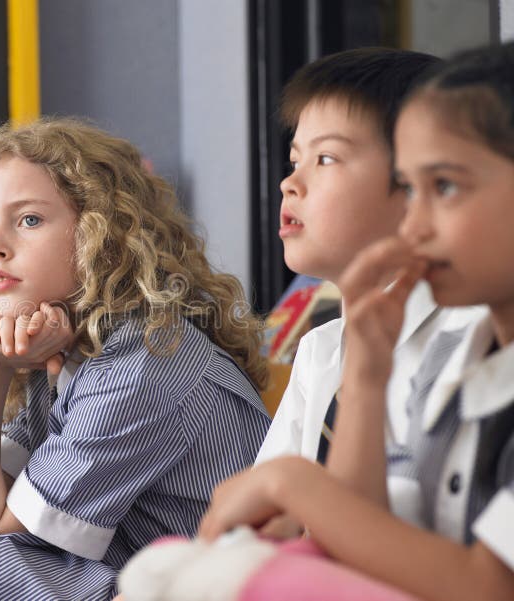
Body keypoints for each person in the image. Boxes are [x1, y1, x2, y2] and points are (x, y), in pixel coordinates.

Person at [0, 117, 271, 599]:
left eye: (29, 220)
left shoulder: (148, 358)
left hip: (193, 586)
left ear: (102, 234)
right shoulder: (66, 354)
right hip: (123, 576)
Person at [198, 41, 514, 601]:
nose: (415, 222)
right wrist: (365, 379)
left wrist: (293, 487)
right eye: (413, 187)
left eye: (442, 186)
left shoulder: (459, 345)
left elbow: (487, 586)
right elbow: (344, 554)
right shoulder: (339, 347)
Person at [255, 48, 481, 478]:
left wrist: (297, 499)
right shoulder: (319, 352)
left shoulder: (470, 335)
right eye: (294, 160)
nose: (290, 183)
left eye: (326, 158)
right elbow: (261, 520)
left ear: (418, 182)